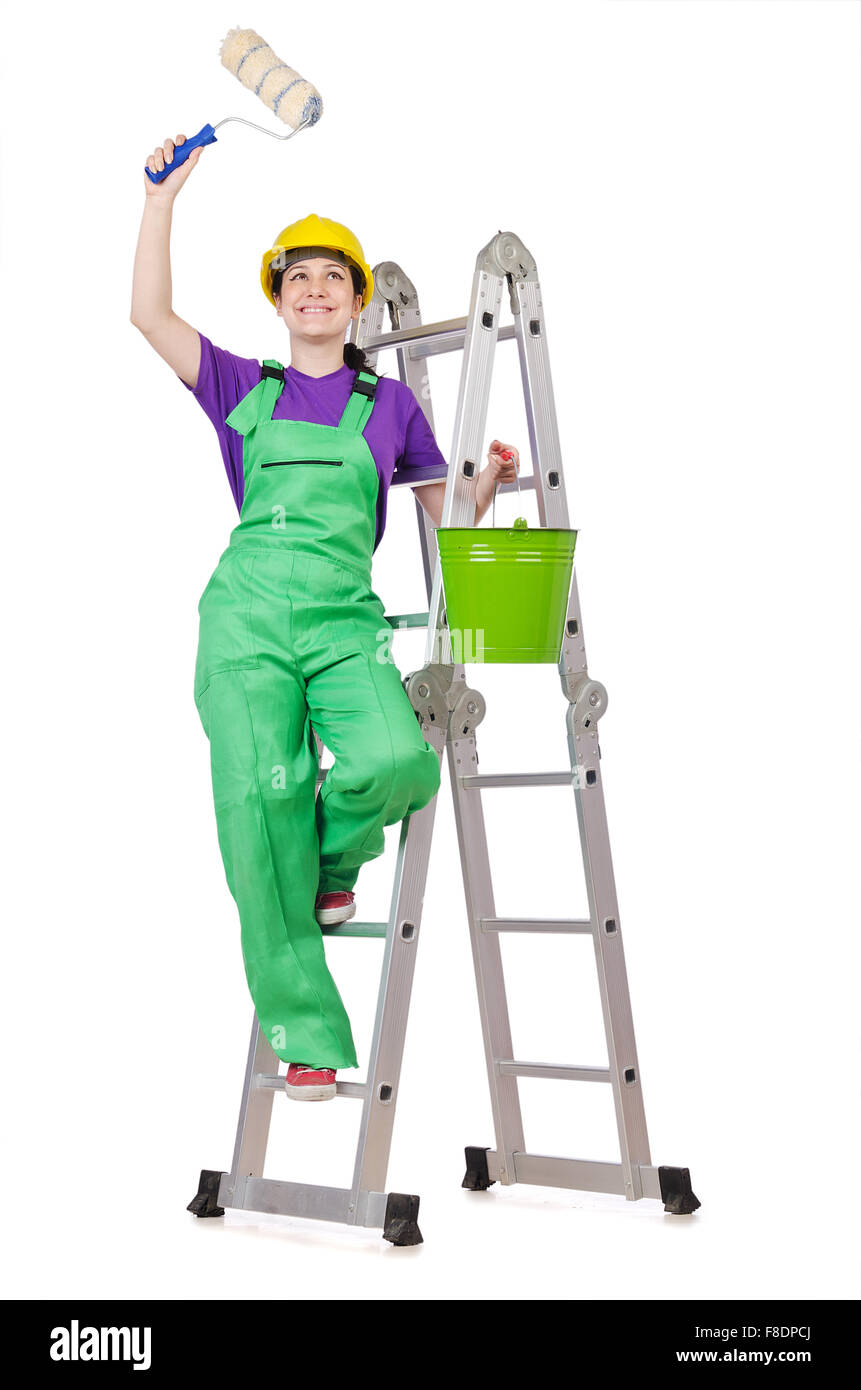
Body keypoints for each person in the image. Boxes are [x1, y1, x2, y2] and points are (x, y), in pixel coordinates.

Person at [130, 132, 521, 1102]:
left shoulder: (388, 407)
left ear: (352, 300)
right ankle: (306, 1031)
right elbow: (146, 313)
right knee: (256, 809)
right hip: (246, 625)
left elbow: (447, 513)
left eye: (330, 280)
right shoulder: (238, 388)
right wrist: (161, 201)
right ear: (278, 297)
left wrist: (492, 485)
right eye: (296, 279)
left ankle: (331, 850)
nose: (314, 292)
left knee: (398, 760)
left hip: (346, 624)